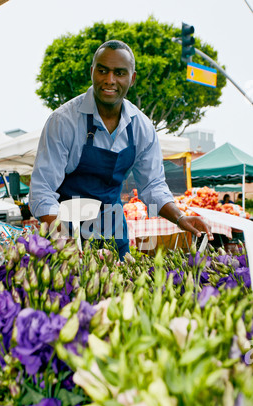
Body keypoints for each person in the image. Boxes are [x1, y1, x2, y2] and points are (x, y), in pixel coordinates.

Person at [29, 40, 213, 260]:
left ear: (132, 78)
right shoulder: (63, 121)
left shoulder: (142, 128)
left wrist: (180, 218)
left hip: (114, 232)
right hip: (64, 233)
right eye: (103, 71)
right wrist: (62, 237)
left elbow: (152, 185)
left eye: (119, 73)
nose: (110, 80)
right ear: (92, 72)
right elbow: (42, 191)